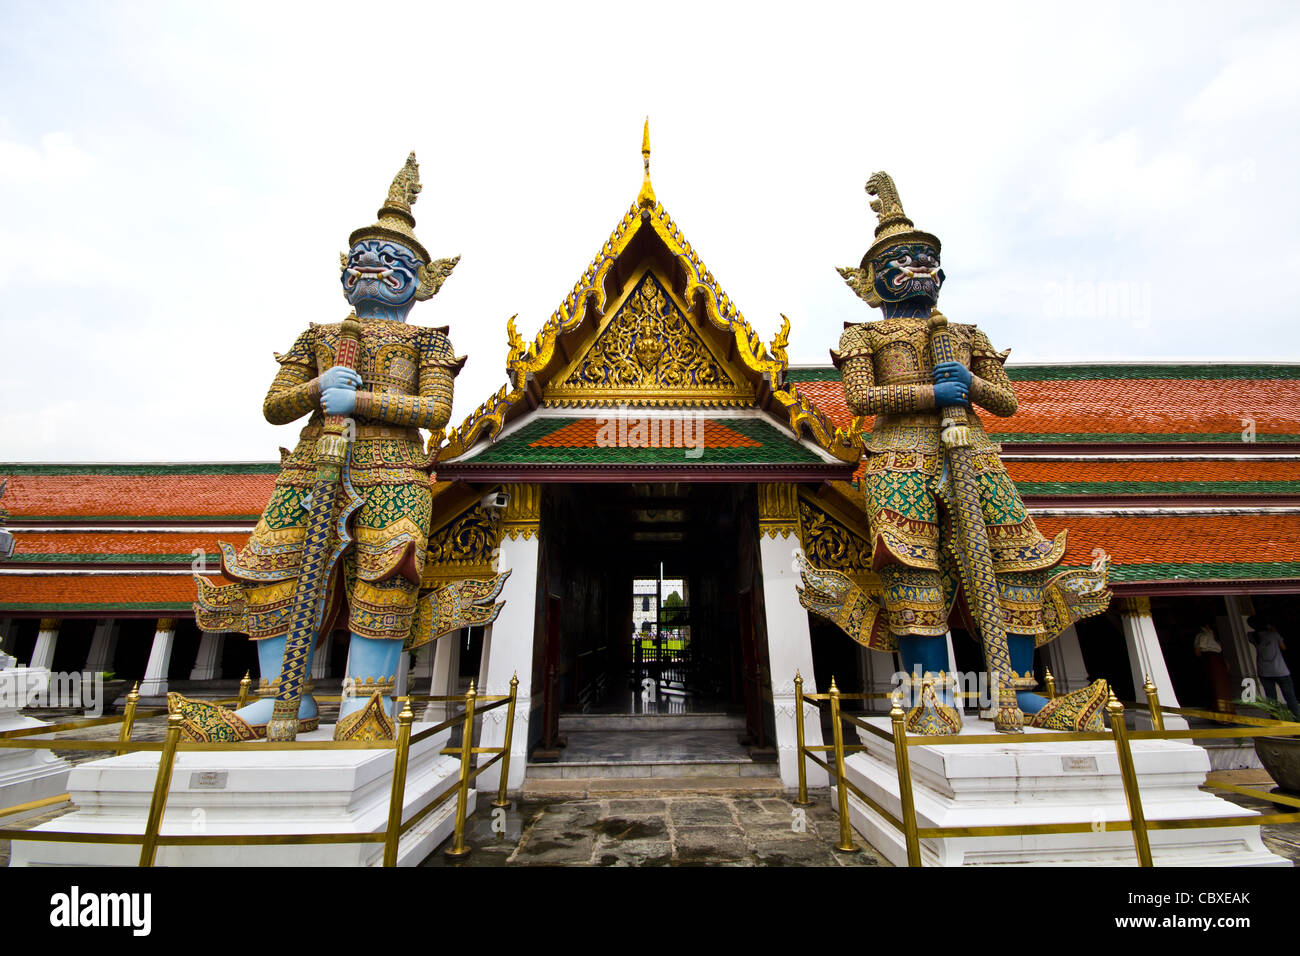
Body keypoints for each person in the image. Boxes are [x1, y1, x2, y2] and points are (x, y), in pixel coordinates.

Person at [1248, 616, 1300, 719]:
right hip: (1281, 671)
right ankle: (1297, 719)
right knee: (1290, 698)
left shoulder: (1251, 635)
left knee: (1271, 699)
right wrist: (1273, 629)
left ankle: (1276, 720)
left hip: (1264, 671)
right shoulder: (1273, 634)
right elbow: (1283, 647)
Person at [1193, 623, 1233, 713]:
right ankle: (1218, 712)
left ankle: (1226, 713)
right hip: (1211, 661)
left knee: (1222, 688)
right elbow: (1198, 651)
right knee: (1216, 687)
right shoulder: (1203, 636)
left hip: (1217, 662)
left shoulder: (1213, 638)